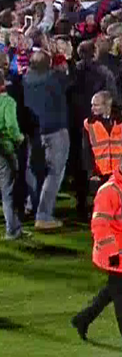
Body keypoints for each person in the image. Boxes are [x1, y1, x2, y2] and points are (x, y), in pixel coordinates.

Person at [71, 151, 122, 352]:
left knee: (112, 292)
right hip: (115, 256)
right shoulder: (109, 191)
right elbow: (100, 225)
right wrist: (111, 252)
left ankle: (82, 320)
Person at [23, 51, 71, 230]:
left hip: (34, 131)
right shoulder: (55, 78)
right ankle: (43, 215)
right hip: (55, 130)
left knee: (34, 169)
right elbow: (70, 79)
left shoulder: (25, 80)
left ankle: (31, 205)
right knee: (54, 172)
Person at [0, 75, 26, 239]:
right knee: (8, 190)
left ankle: (15, 226)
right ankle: (12, 230)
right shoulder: (7, 101)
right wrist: (20, 138)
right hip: (5, 150)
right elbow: (11, 125)